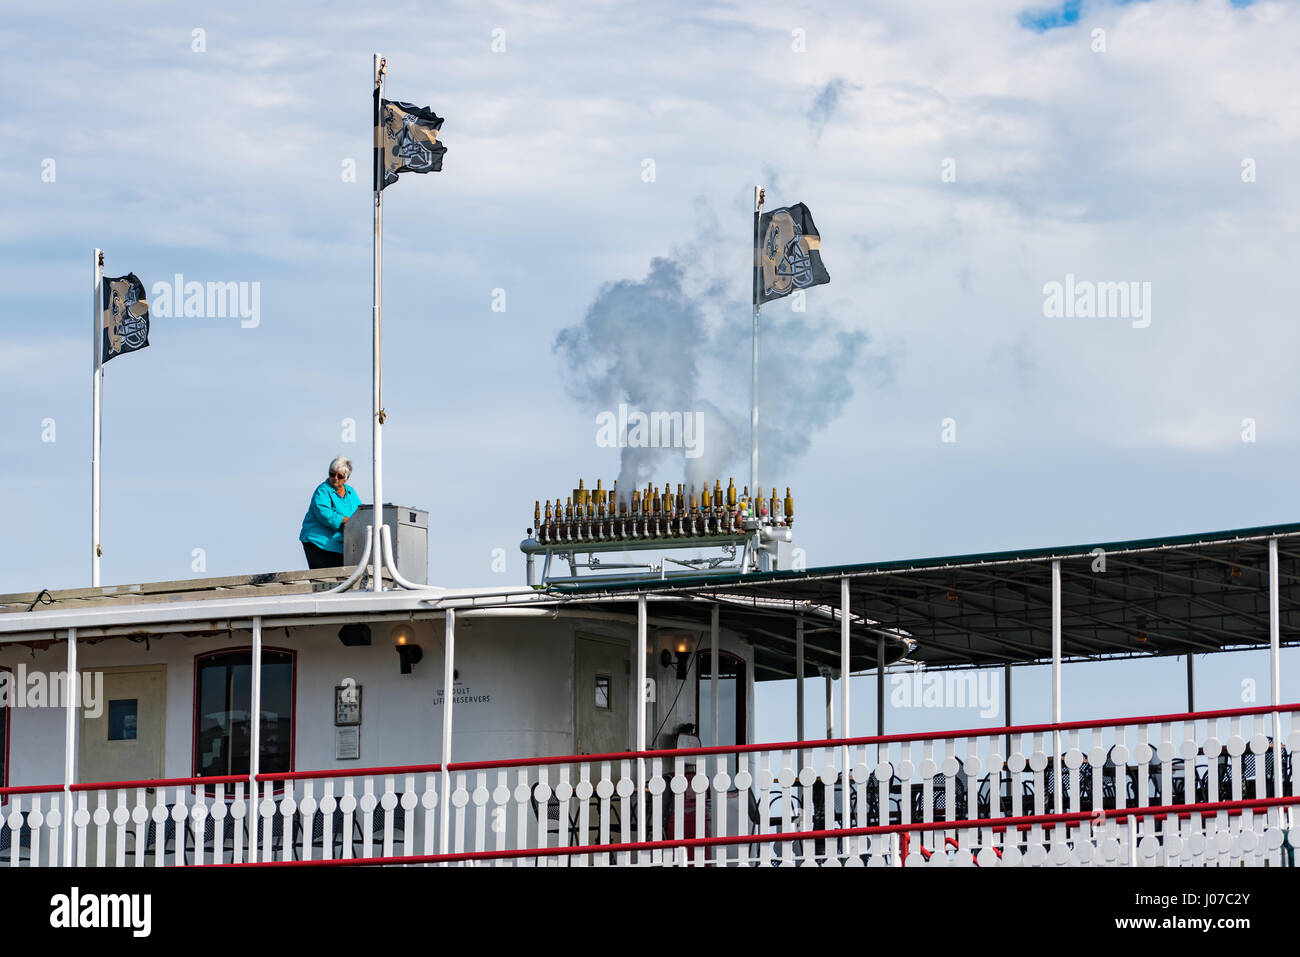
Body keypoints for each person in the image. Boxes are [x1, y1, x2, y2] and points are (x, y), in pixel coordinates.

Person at [299, 456, 361, 569]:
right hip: (318, 542)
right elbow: (324, 514)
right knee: (324, 579)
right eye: (332, 474)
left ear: (346, 478)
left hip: (339, 544)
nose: (335, 478)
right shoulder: (322, 491)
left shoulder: (351, 492)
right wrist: (348, 520)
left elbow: (359, 512)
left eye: (340, 476)